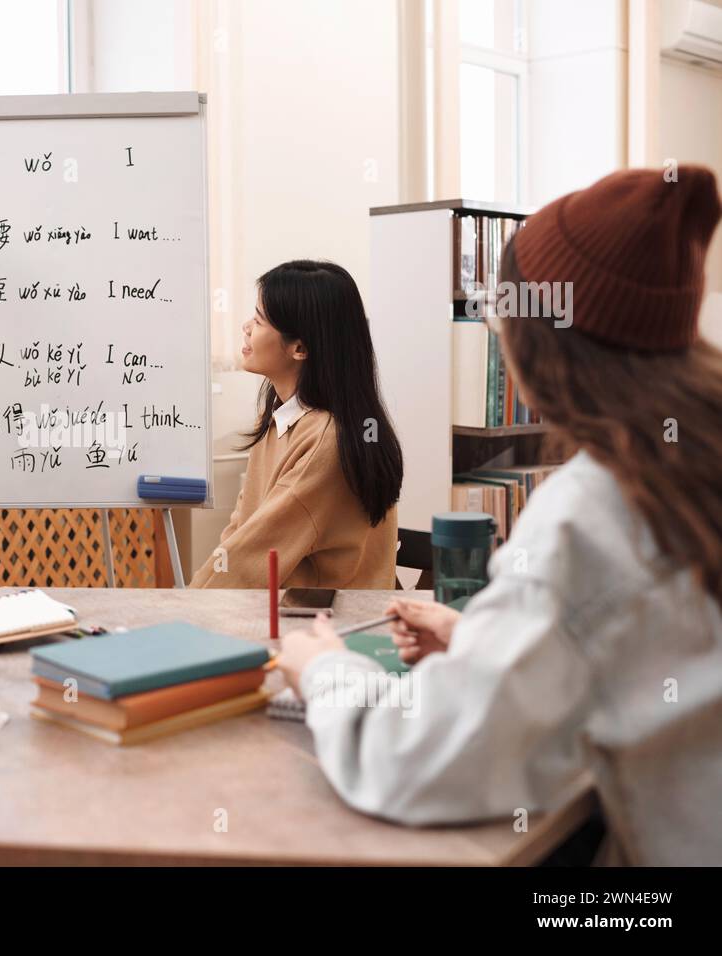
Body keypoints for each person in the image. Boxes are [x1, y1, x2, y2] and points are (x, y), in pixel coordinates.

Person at [273, 167, 722, 865]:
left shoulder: (591, 513)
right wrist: (489, 636)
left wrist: (325, 669)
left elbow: (414, 763)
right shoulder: (687, 463)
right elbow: (648, 646)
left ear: (536, 340)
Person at [190, 261, 403, 589]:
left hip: (324, 628)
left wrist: (184, 610)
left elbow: (252, 556)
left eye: (259, 320)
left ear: (300, 348)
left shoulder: (325, 440)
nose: (246, 327)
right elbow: (239, 535)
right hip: (286, 615)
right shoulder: (281, 420)